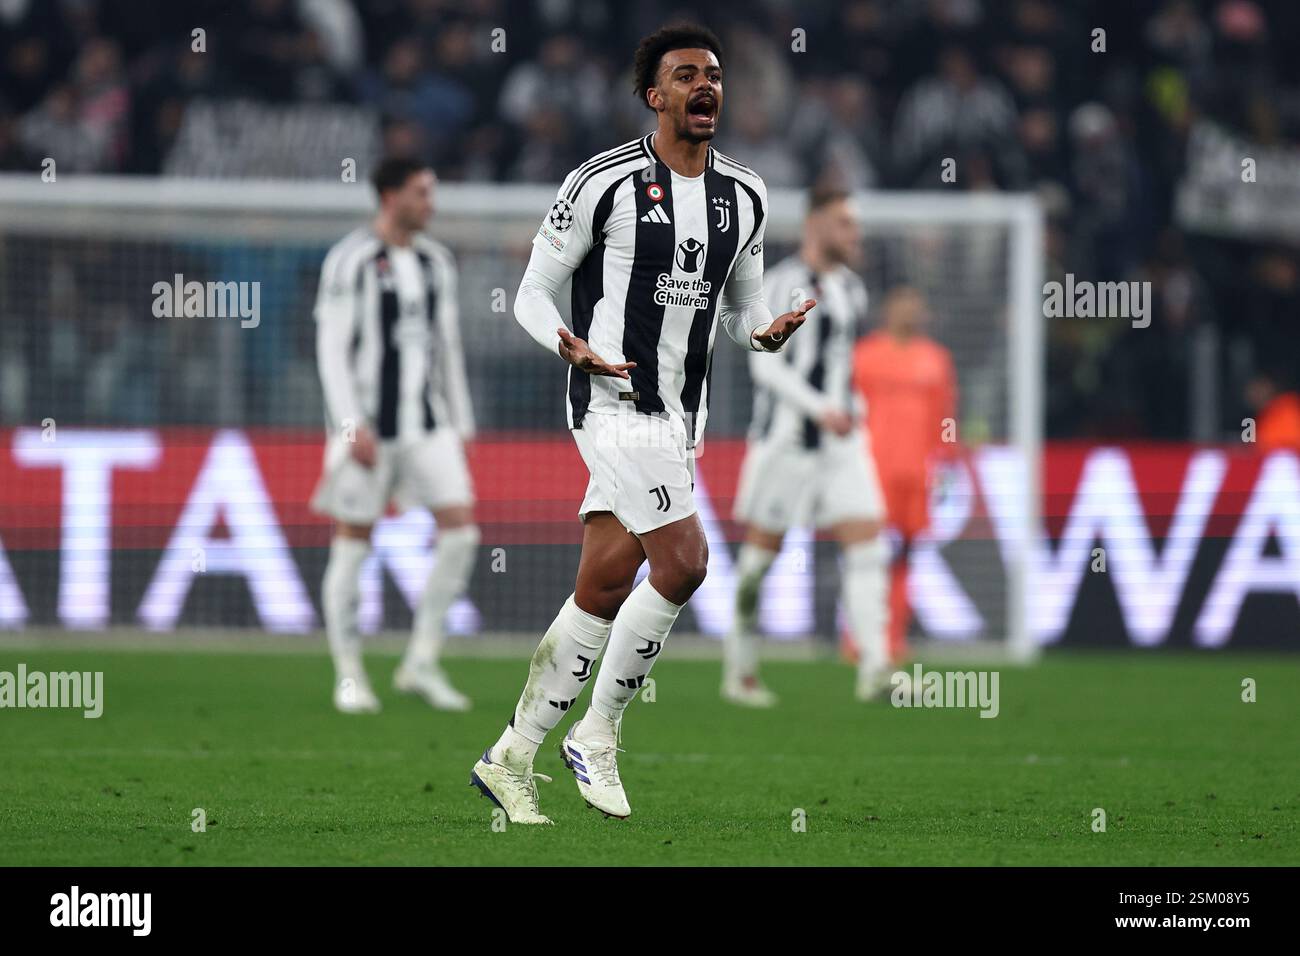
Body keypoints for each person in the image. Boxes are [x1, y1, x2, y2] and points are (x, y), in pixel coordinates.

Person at [469, 23, 813, 824]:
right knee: (687, 561)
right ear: (653, 96)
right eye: (686, 75)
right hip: (612, 403)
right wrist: (566, 344)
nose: (705, 87)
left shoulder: (746, 196)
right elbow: (532, 290)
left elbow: (739, 308)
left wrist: (762, 329)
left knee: (605, 581)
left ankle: (511, 757)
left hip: (682, 417)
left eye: (715, 75)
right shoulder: (603, 182)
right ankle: (598, 734)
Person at [310, 157, 478, 714]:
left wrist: (462, 419)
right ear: (390, 196)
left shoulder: (437, 262)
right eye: (421, 193)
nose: (431, 203)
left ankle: (421, 661)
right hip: (367, 429)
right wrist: (349, 423)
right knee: (353, 543)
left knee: (462, 533)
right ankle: (349, 673)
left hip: (427, 425)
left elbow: (446, 345)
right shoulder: (351, 259)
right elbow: (331, 350)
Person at [725, 188, 888, 706]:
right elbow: (764, 363)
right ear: (815, 224)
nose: (854, 234)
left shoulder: (853, 290)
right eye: (845, 223)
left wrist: (852, 408)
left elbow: (844, 367)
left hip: (842, 444)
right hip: (786, 442)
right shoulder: (781, 282)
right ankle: (740, 670)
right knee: (758, 562)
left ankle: (877, 668)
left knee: (868, 546)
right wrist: (822, 409)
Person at [851, 286, 957, 667]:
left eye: (917, 304)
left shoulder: (936, 360)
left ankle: (893, 638)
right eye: (903, 303)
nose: (911, 311)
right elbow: (849, 411)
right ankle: (857, 639)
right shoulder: (863, 356)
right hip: (872, 470)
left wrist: (946, 460)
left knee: (906, 558)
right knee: (867, 555)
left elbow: (946, 417)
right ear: (887, 308)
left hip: (917, 474)